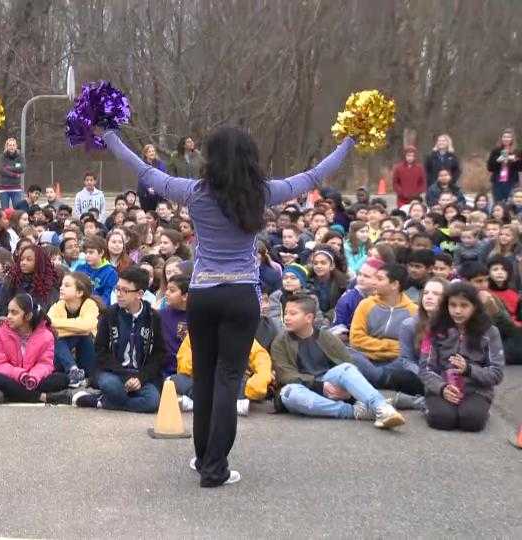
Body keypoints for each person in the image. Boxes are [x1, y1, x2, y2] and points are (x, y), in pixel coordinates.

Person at [100, 123, 354, 487]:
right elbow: (313, 176)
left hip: (202, 294)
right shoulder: (262, 193)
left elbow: (144, 170)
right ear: (250, 159)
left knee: (203, 376)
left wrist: (109, 136)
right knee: (227, 379)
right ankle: (214, 466)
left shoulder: (195, 192)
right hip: (241, 297)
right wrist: (348, 142)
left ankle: (204, 458)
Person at [271, 294, 405, 428]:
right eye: (286, 313)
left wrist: (348, 392)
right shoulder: (280, 342)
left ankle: (382, 408)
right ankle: (354, 412)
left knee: (346, 368)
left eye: (293, 313)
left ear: (309, 318)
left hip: (330, 383)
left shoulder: (326, 336)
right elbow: (286, 375)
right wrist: (319, 386)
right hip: (304, 388)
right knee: (289, 394)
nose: (286, 317)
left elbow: (348, 363)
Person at [73, 267, 163, 413]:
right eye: (117, 289)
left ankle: (101, 402)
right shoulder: (110, 314)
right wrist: (125, 375)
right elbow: (101, 351)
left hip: (141, 376)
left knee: (152, 402)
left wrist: (140, 378)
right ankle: (114, 398)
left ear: (139, 294)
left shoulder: (153, 317)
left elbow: (159, 355)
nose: (119, 294)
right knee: (111, 386)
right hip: (114, 373)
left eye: (125, 291)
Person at [420, 282, 504, 431]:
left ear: (475, 307)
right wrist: (442, 388)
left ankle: (482, 411)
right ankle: (427, 406)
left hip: (476, 390)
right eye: (453, 305)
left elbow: (496, 374)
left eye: (464, 306)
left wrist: (469, 370)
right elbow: (425, 368)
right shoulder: (434, 329)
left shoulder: (490, 332)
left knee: (471, 422)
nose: (457, 311)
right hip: (442, 387)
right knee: (442, 420)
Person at [349, 264, 421, 395]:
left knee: (407, 363)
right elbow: (356, 340)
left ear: (394, 285)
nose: (374, 282)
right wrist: (389, 346)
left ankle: (373, 378)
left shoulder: (413, 311)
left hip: (395, 362)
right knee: (349, 354)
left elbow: (408, 348)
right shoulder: (365, 304)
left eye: (380, 279)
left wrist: (382, 348)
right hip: (366, 358)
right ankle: (382, 378)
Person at [0, 293, 72, 405]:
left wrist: (33, 376)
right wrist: (19, 374)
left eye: (14, 312)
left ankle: (9, 393)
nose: (8, 316)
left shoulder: (46, 336)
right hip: (13, 377)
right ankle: (45, 397)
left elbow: (45, 364)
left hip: (34, 379)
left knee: (63, 379)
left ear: (28, 316)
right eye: (8, 311)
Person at [48, 272, 100, 387]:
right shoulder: (58, 305)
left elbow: (87, 326)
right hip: (61, 360)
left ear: (79, 292)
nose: (61, 288)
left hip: (87, 357)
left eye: (67, 285)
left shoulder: (90, 304)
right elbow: (48, 326)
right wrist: (78, 327)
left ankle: (76, 373)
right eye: (61, 285)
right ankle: (73, 370)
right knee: (57, 338)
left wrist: (58, 326)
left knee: (84, 336)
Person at [0, 244, 62, 320]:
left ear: (39, 262)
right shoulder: (11, 281)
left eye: (28, 259)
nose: (23, 262)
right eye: (22, 259)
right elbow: (0, 309)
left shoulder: (49, 286)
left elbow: (49, 314)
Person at [76, 235, 118, 305]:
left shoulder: (110, 273)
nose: (87, 256)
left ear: (101, 253)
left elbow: (108, 297)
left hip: (99, 308)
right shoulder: (80, 268)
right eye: (86, 253)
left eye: (91, 252)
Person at [487, 128, 522, 202]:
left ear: (512, 139)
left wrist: (515, 161)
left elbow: (520, 168)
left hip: (511, 182)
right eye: (504, 137)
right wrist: (498, 160)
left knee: (509, 202)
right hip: (497, 182)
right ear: (501, 138)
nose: (506, 139)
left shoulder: (517, 151)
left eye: (508, 137)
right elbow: (489, 167)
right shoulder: (495, 151)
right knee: (498, 202)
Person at [0, 138, 24, 209]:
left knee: (18, 211)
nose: (11, 147)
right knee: (5, 212)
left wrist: (8, 167)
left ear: (16, 146)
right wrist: (14, 174)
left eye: (13, 145)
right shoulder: (2, 156)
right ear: (6, 146)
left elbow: (22, 169)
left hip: (16, 188)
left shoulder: (20, 156)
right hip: (4, 188)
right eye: (10, 145)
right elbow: (1, 170)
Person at [138, 144, 165, 211]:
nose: (152, 153)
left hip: (158, 192)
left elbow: (163, 176)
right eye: (149, 152)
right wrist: (148, 188)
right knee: (147, 212)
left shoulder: (160, 163)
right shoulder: (142, 164)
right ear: (145, 154)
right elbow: (141, 179)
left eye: (153, 151)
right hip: (145, 193)